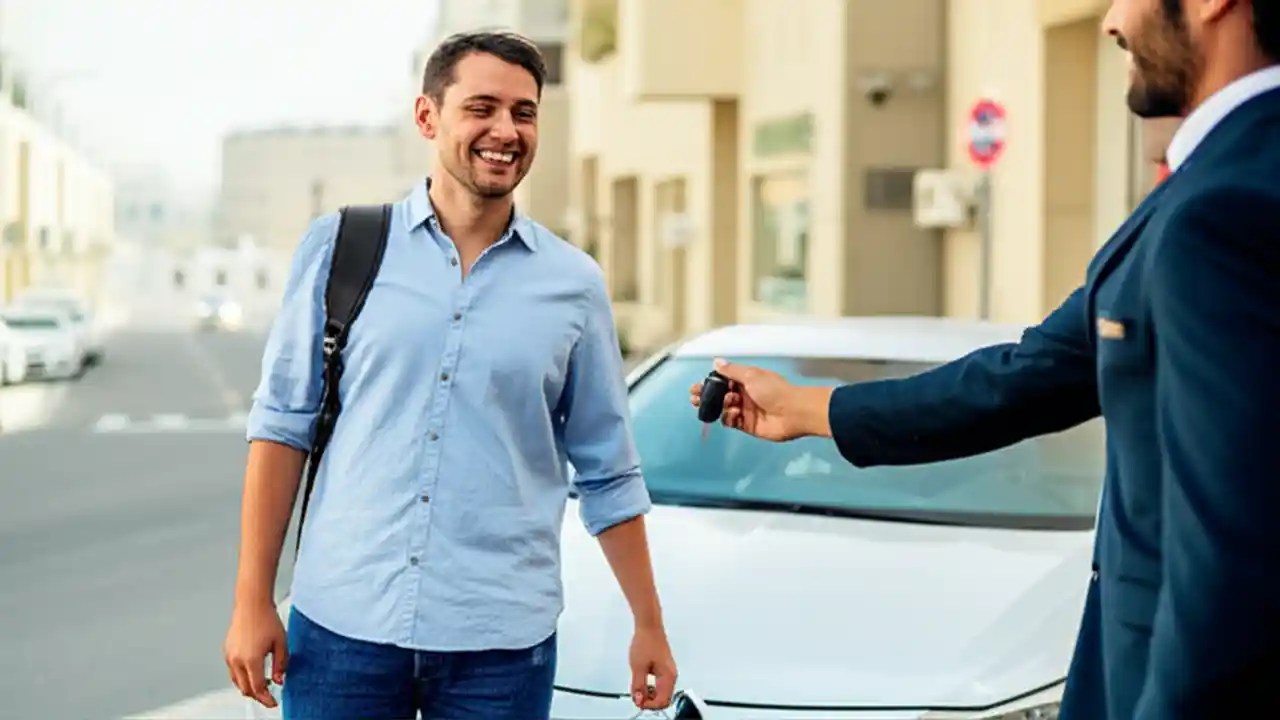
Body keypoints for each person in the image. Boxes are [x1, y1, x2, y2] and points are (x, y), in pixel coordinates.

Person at [691, 0, 1280, 717]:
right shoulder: (1223, 180)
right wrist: (807, 406)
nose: (1110, 21)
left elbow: (1233, 559)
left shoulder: (1225, 207)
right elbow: (1032, 375)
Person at [224, 31, 677, 720]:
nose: (506, 130)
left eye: (524, 113)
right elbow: (282, 429)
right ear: (428, 117)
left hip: (499, 645)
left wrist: (648, 622)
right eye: (483, 107)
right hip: (344, 627)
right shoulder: (340, 248)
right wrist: (251, 600)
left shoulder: (572, 285)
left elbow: (608, 468)